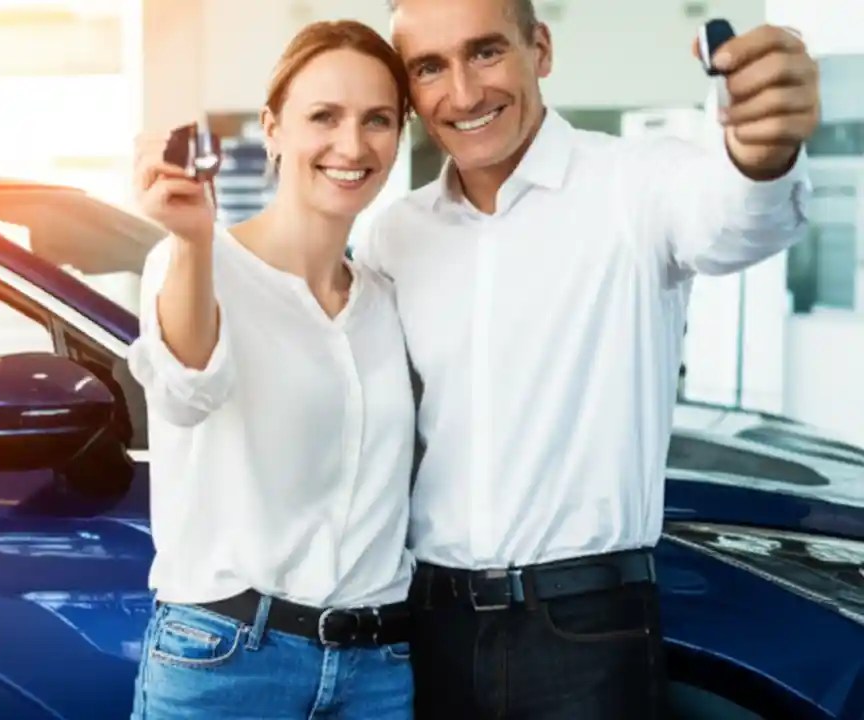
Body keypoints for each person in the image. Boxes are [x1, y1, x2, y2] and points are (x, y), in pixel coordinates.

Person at [355, 1, 821, 718]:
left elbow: (737, 215)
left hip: (586, 629)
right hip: (431, 623)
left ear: (539, 48)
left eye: (485, 52)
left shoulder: (636, 185)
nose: (465, 92)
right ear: (410, 92)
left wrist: (764, 153)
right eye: (429, 67)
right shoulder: (394, 236)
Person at [125, 19, 419, 720]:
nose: (353, 145)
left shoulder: (386, 298)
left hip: (377, 669)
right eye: (324, 116)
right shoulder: (191, 263)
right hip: (227, 664)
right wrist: (194, 240)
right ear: (273, 127)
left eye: (378, 120)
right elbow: (185, 389)